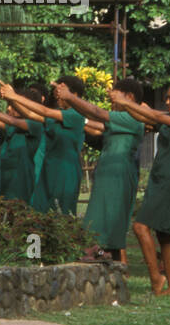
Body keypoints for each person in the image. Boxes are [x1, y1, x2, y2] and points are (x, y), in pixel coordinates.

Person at [114, 81, 170, 295]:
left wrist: (127, 102)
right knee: (165, 235)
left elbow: (157, 117)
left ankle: (155, 277)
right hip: (161, 178)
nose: (167, 102)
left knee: (140, 227)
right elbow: (148, 118)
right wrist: (128, 106)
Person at [59, 77, 145, 262]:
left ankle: (100, 254)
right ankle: (106, 258)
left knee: (109, 219)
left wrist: (70, 97)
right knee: (102, 218)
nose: (111, 103)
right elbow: (93, 120)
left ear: (129, 97)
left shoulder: (132, 117)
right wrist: (74, 109)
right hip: (109, 174)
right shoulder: (120, 119)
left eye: (115, 98)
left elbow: (98, 112)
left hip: (118, 175)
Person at [2, 76, 86, 214]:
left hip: (65, 170)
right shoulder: (58, 116)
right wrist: (10, 98)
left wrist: (14, 96)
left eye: (60, 93)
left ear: (74, 95)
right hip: (49, 168)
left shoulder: (76, 114)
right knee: (40, 211)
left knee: (60, 213)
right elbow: (30, 113)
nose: (56, 97)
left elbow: (45, 111)